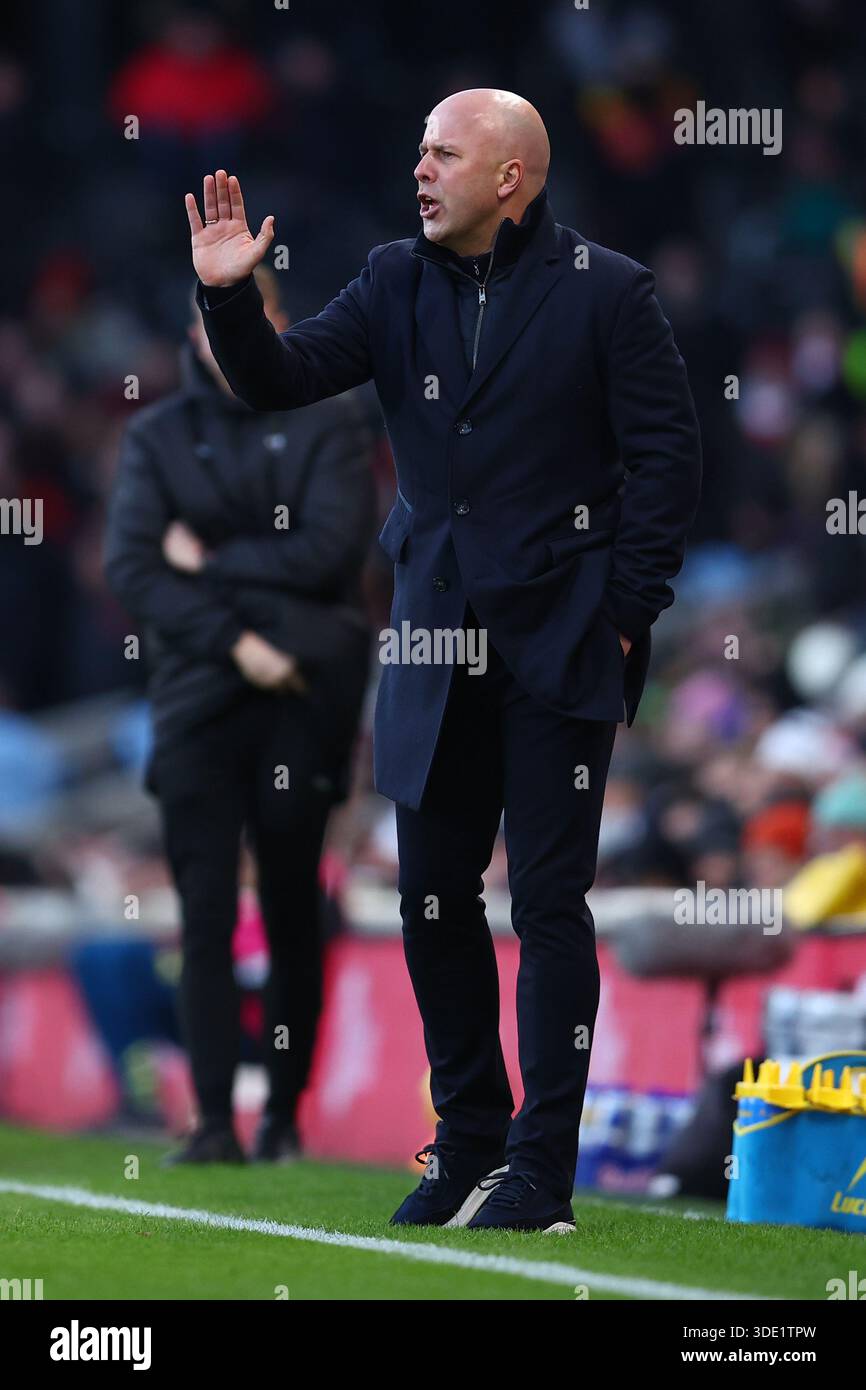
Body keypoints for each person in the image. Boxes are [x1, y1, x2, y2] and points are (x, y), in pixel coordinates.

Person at [185, 88, 701, 1227]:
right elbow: (281, 376)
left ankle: (539, 1173)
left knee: (547, 904)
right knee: (427, 897)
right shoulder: (391, 278)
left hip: (560, 639)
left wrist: (621, 610)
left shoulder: (608, 292)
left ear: (510, 175)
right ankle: (466, 1142)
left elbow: (667, 461)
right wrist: (227, 300)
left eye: (443, 154)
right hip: (430, 635)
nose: (419, 170)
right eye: (417, 149)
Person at [103, 265, 375, 1164]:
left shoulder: (329, 416)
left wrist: (207, 560)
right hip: (207, 697)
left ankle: (286, 1118)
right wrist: (243, 643)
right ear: (194, 338)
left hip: (306, 697)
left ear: (277, 320)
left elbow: (333, 553)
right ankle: (215, 1122)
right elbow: (136, 571)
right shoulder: (156, 435)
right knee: (204, 910)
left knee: (297, 904)